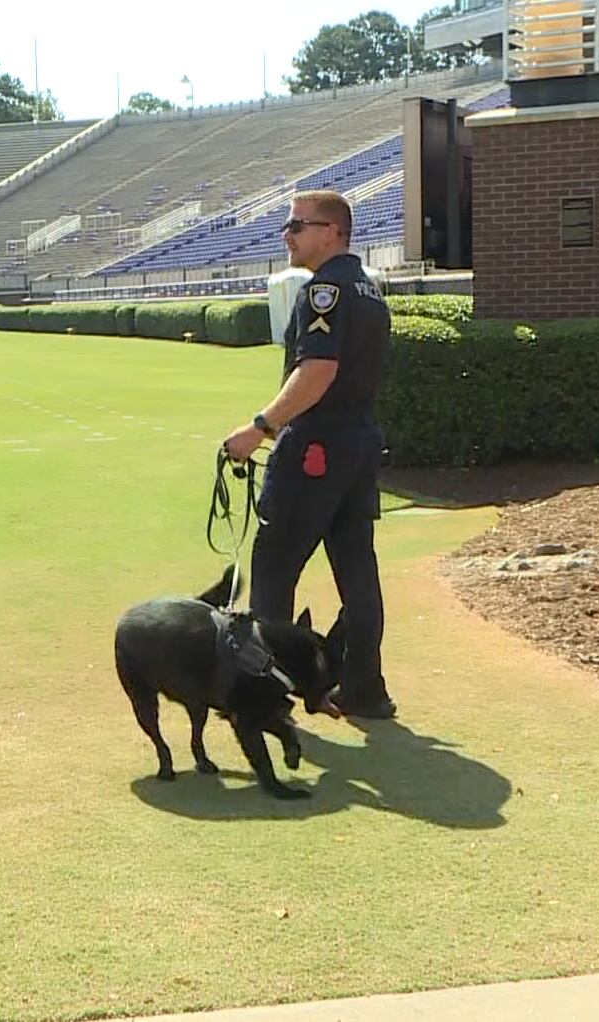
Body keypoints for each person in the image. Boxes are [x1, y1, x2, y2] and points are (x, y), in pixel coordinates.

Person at [221, 190, 396, 719]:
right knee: (356, 569)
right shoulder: (370, 291)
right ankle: (366, 690)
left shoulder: (326, 292)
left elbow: (317, 373)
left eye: (297, 226)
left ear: (332, 232)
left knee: (273, 569)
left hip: (316, 444)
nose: (287, 234)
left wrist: (260, 426)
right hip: (359, 442)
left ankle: (263, 690)